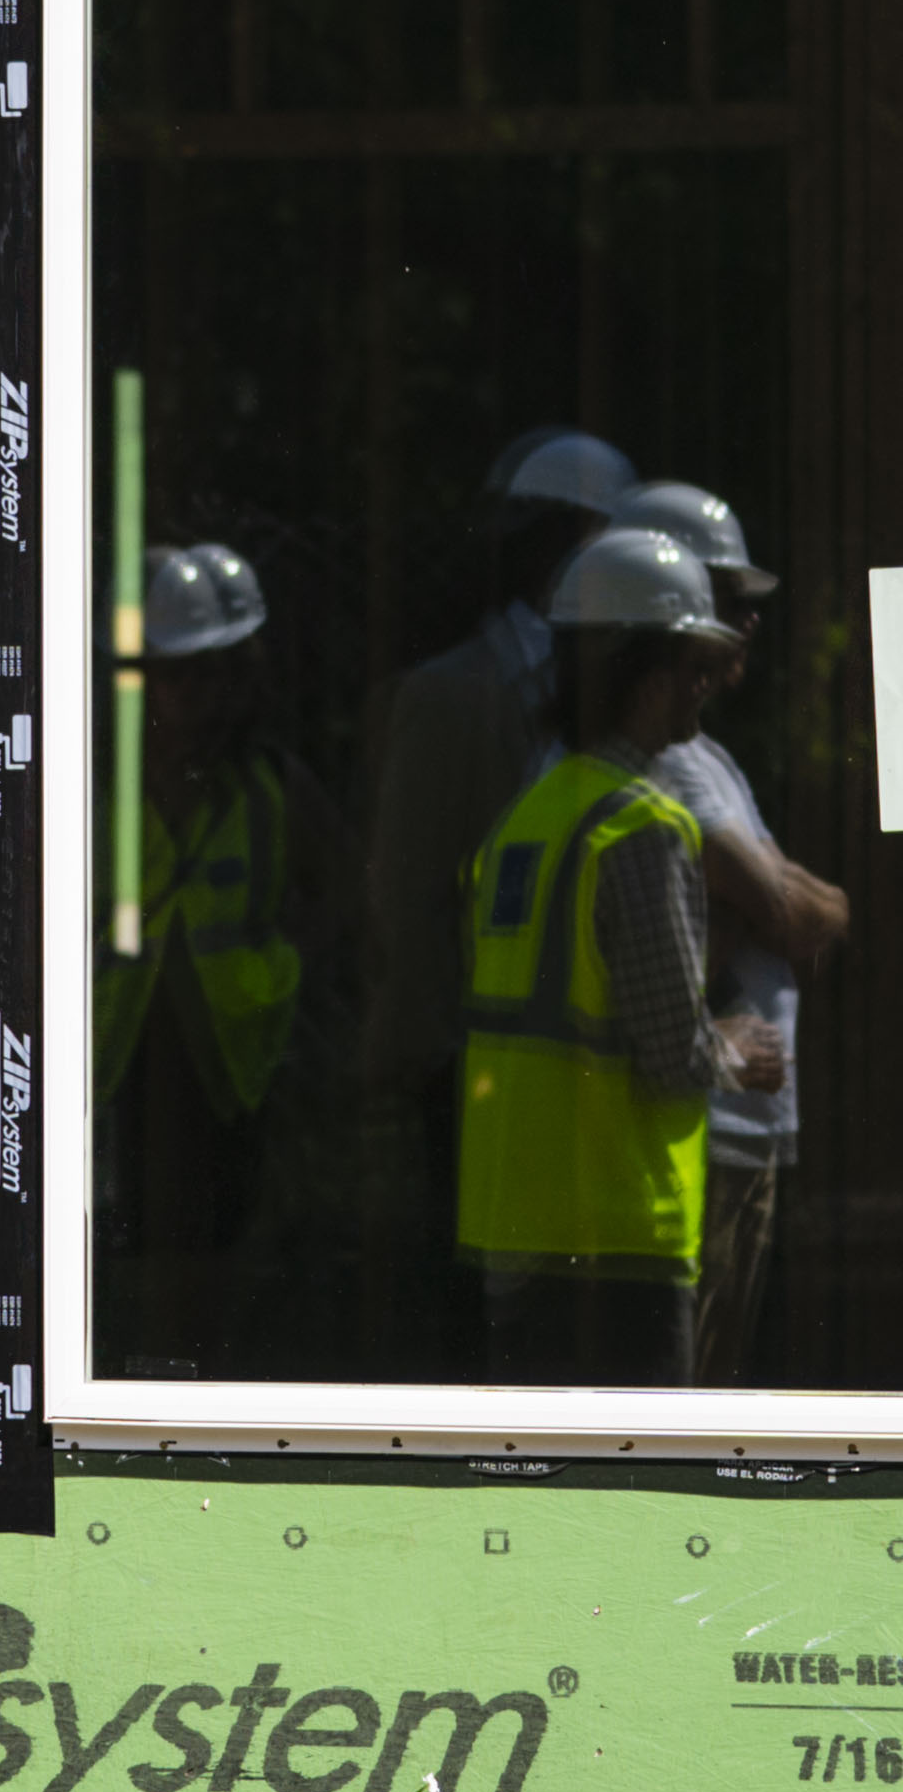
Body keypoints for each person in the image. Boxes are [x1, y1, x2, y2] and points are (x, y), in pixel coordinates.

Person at [454, 526, 782, 1386]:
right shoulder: (640, 830)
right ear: (645, 669)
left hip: (517, 1230)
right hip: (614, 1242)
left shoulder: (527, 817)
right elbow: (674, 1054)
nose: (706, 686)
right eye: (693, 664)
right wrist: (741, 1050)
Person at [358, 426, 639, 1370]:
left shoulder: (603, 684)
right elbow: (408, 892)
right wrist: (431, 1050)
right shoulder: (453, 694)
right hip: (481, 1067)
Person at [610, 483, 848, 1386]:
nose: (747, 622)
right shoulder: (662, 763)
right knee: (684, 1398)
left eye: (751, 605)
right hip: (703, 1128)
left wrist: (783, 900)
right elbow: (795, 914)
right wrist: (782, 901)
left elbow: (802, 910)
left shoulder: (706, 757)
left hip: (745, 1127)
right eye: (729, 599)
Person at [94, 543, 333, 1378]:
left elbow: (342, 897)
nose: (195, 698)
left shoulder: (274, 789)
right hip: (107, 1068)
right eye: (176, 676)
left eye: (214, 676)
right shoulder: (86, 791)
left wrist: (281, 970)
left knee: (209, 1271)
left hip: (232, 1072)